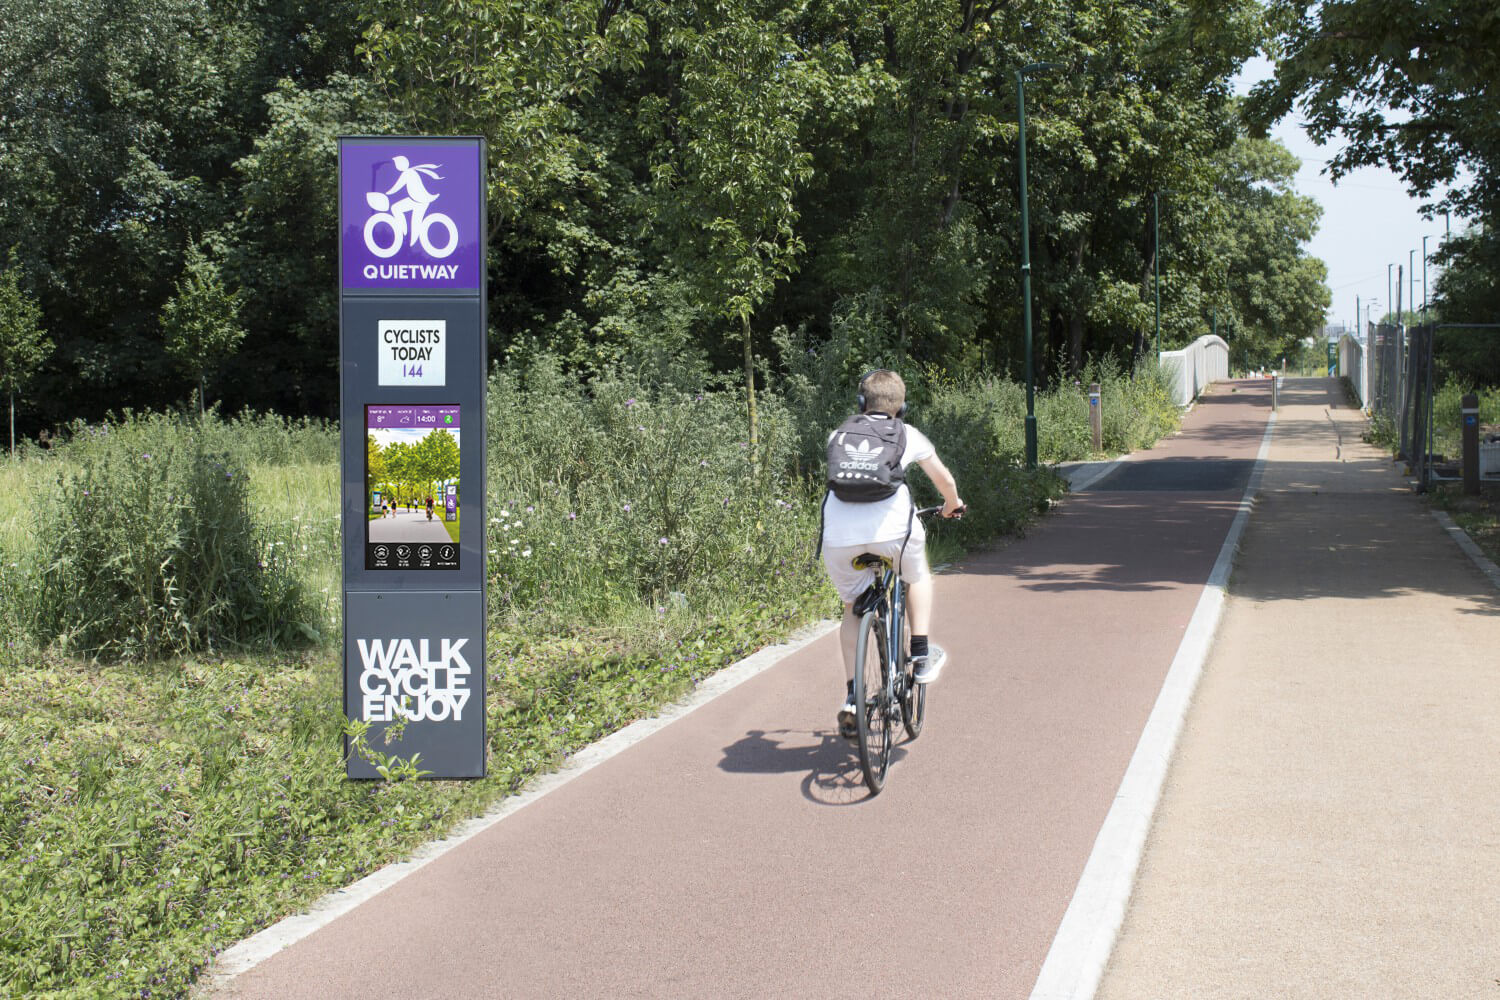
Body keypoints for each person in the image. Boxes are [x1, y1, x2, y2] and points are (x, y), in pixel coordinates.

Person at [820, 369, 964, 740]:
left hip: (839, 539)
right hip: (891, 535)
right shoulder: (907, 433)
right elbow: (944, 480)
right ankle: (919, 653)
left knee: (854, 605)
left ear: (860, 403)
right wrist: (953, 504)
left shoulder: (839, 434)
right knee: (917, 576)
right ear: (902, 407)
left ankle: (854, 697)